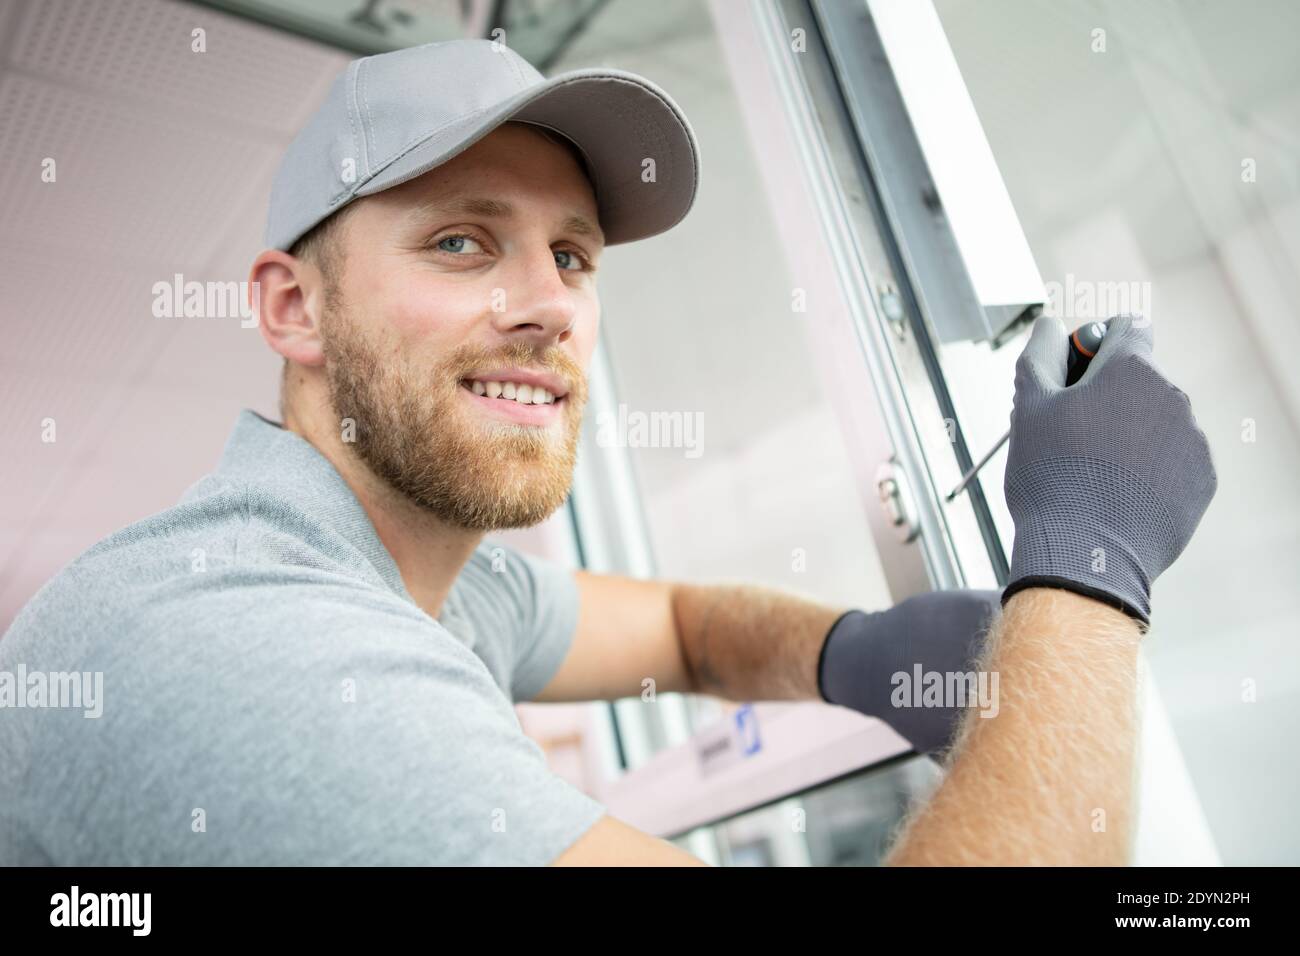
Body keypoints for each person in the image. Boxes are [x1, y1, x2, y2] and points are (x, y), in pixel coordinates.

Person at [0, 39, 1215, 866]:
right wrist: (1085, 563)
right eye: (463, 243)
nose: (551, 305)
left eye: (572, 256)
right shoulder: (251, 647)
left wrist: (847, 651)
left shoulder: (419, 572)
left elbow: (684, 626)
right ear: (292, 308)